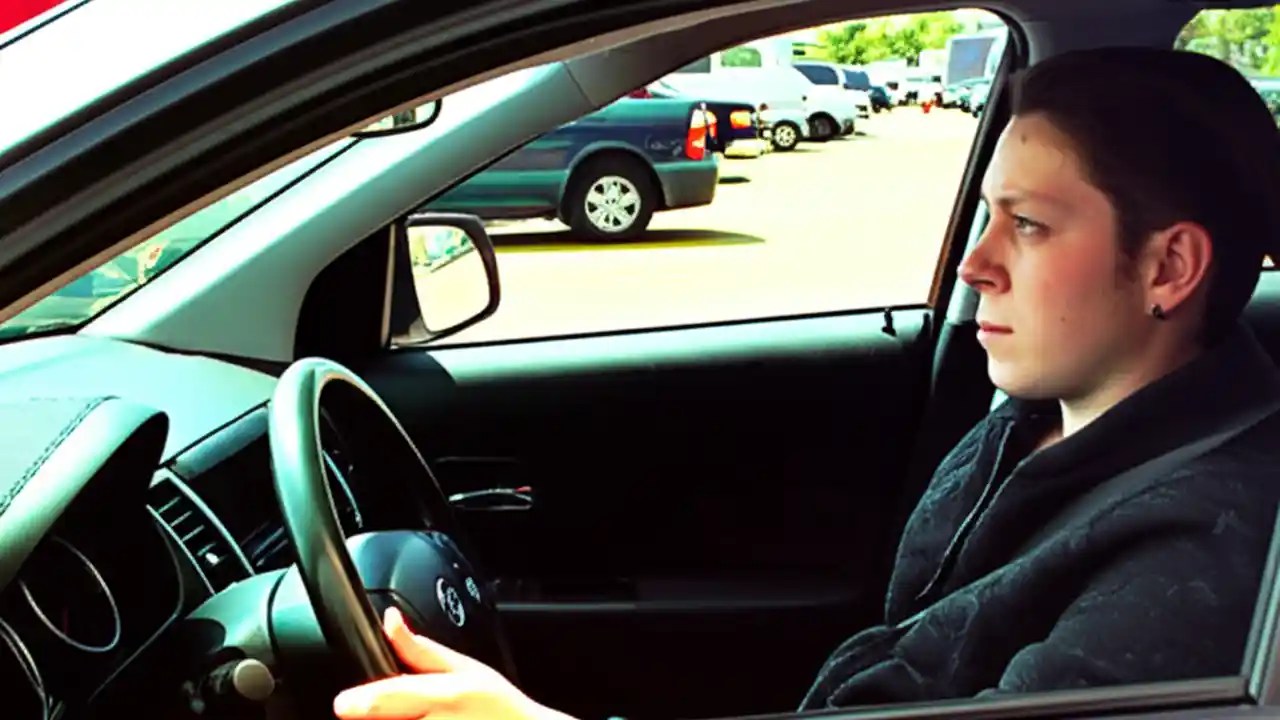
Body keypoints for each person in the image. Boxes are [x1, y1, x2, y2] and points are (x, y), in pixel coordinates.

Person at [333, 46, 1280, 719]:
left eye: (1027, 225)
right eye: (987, 216)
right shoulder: (1043, 415)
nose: (975, 264)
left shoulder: (1192, 578)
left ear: (1167, 268)